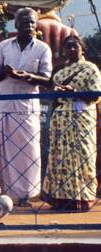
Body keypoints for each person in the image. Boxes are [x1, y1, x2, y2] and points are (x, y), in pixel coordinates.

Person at [0, 7, 53, 204]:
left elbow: (47, 78)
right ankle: (5, 193)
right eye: (25, 22)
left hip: (27, 108)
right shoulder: (4, 46)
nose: (30, 26)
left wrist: (27, 76)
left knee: (29, 152)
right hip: (5, 105)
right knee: (5, 151)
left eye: (33, 22)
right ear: (16, 25)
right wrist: (7, 73)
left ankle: (29, 194)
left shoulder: (43, 48)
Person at [42, 33, 101, 211]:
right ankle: (59, 198)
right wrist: (56, 91)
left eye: (75, 46)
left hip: (81, 117)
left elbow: (96, 94)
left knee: (83, 156)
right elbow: (51, 92)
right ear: (63, 51)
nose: (72, 49)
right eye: (68, 46)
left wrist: (73, 91)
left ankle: (82, 198)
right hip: (60, 119)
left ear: (83, 49)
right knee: (59, 157)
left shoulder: (91, 69)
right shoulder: (59, 71)